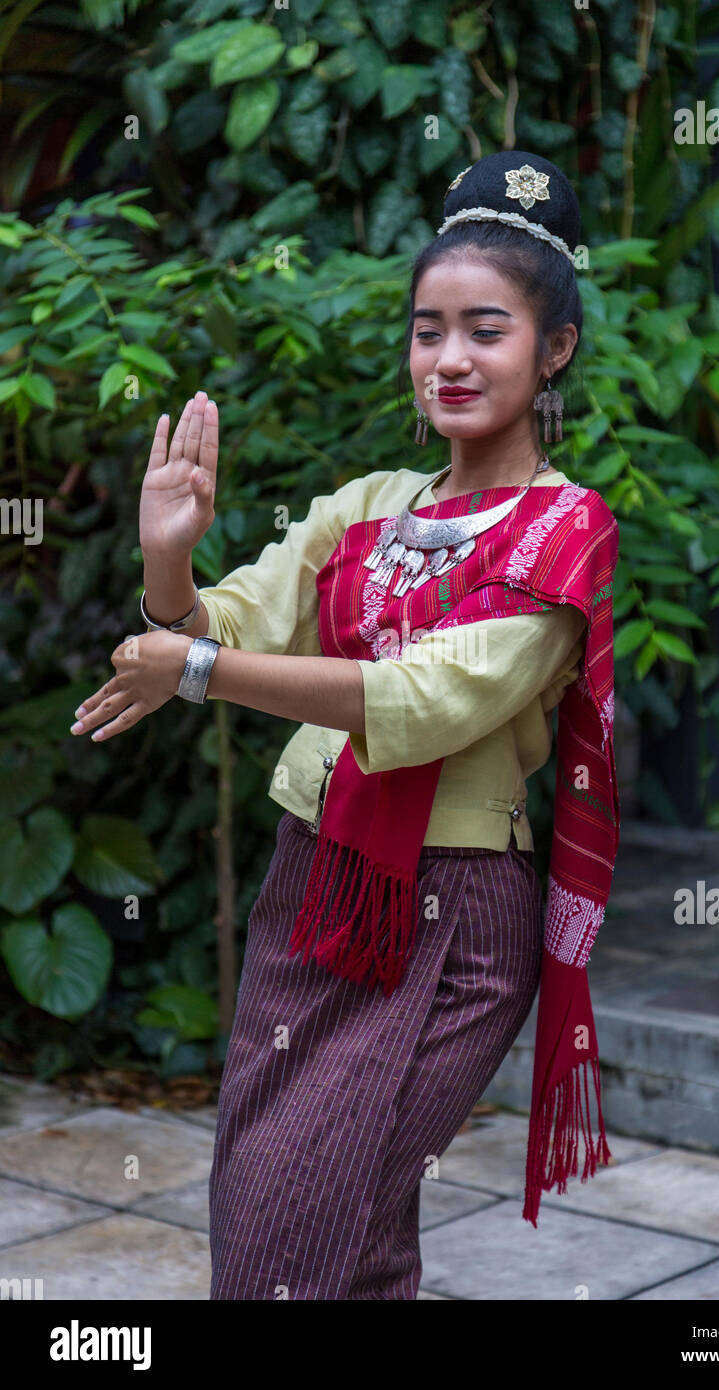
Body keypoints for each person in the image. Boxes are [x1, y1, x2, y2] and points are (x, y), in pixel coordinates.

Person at [70, 151, 621, 1300]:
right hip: (311, 883)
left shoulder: (565, 531)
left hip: (454, 914)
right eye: (428, 331)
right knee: (287, 1209)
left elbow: (418, 706)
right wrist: (169, 550)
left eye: (485, 330)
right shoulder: (367, 506)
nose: (450, 359)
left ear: (553, 347)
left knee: (317, 1209)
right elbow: (218, 616)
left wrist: (202, 671)